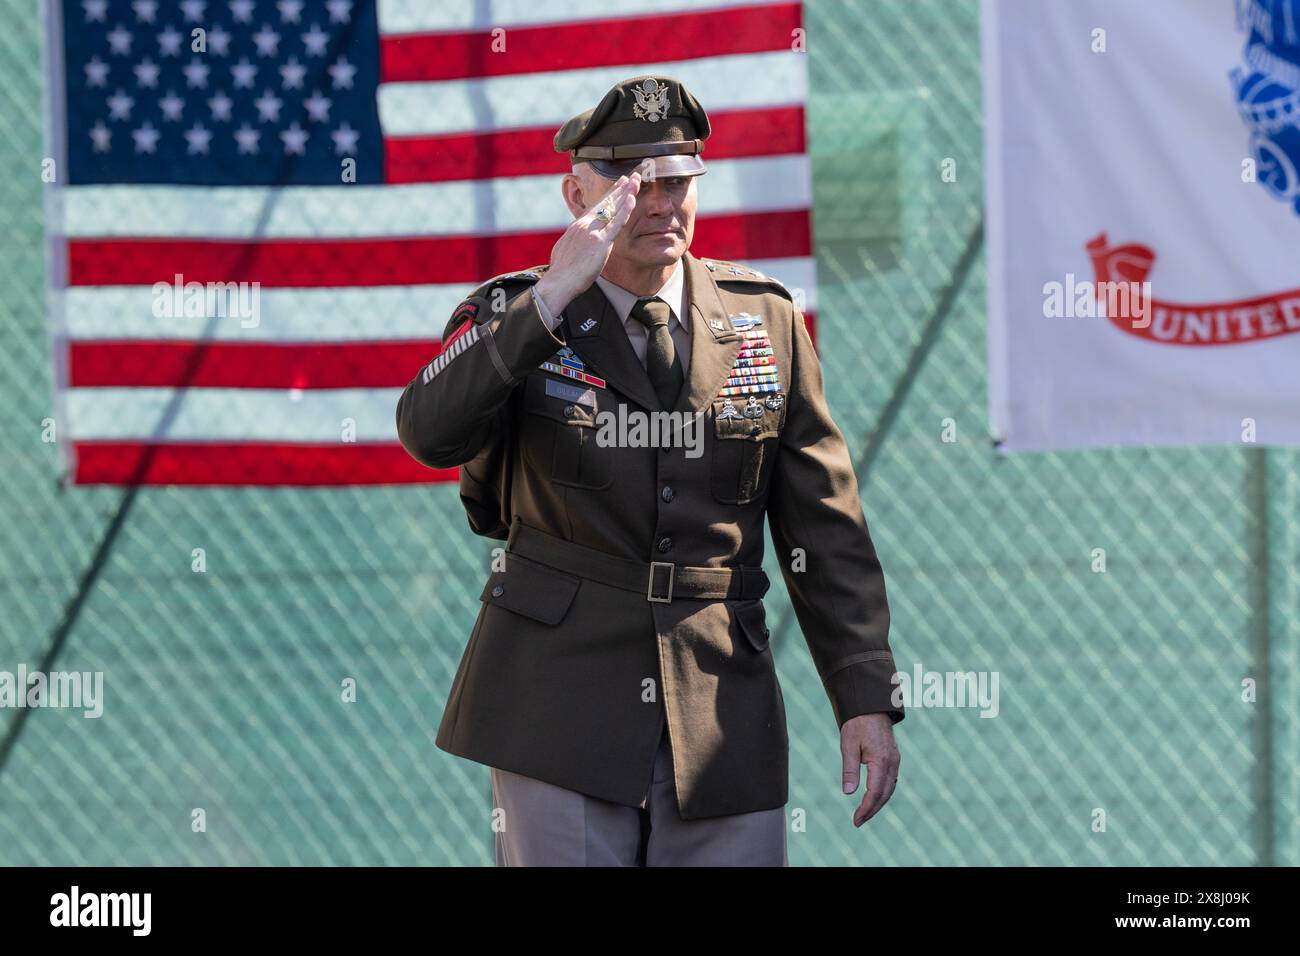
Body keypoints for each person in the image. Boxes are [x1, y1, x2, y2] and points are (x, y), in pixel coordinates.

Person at [396, 75, 902, 866]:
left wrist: (864, 692)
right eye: (634, 183)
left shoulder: (764, 319)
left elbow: (824, 527)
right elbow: (427, 432)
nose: (661, 202)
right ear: (577, 193)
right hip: (556, 707)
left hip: (719, 709)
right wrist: (555, 293)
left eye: (678, 180)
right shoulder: (520, 314)